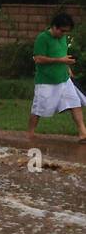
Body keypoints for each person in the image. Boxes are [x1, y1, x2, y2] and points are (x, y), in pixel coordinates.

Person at [29, 12, 86, 143]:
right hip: (46, 81)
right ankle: (31, 132)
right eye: (62, 31)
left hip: (64, 79)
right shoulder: (42, 38)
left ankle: (83, 133)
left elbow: (63, 54)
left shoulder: (63, 38)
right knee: (39, 108)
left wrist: (67, 67)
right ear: (54, 27)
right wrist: (59, 60)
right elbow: (38, 59)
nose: (63, 34)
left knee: (75, 103)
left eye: (66, 31)